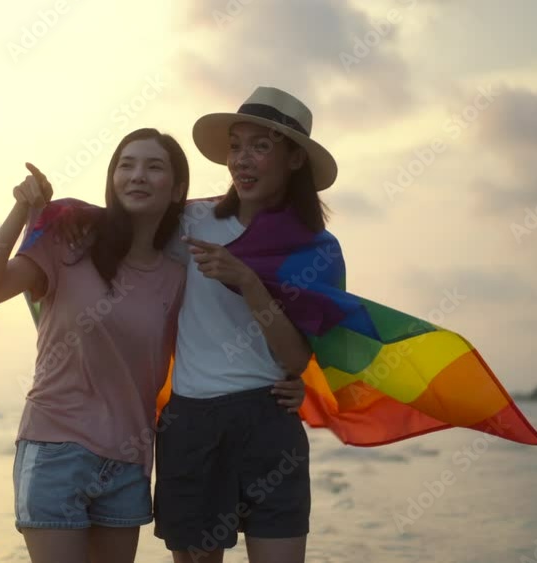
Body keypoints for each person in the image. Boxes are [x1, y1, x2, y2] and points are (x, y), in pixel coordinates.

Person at [0, 127, 305, 563]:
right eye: (127, 164)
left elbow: (217, 336)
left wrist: (293, 380)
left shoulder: (179, 272)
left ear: (178, 189)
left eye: (154, 167)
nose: (138, 175)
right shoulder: (68, 241)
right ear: (112, 178)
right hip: (55, 452)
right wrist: (21, 210)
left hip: (128, 464)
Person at [152, 86, 337, 563]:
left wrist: (250, 283)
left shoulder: (316, 249)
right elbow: (120, 252)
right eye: (236, 145)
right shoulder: (191, 221)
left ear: (295, 158)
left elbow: (297, 359)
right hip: (191, 423)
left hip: (269, 422)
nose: (242, 159)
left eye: (260, 146)